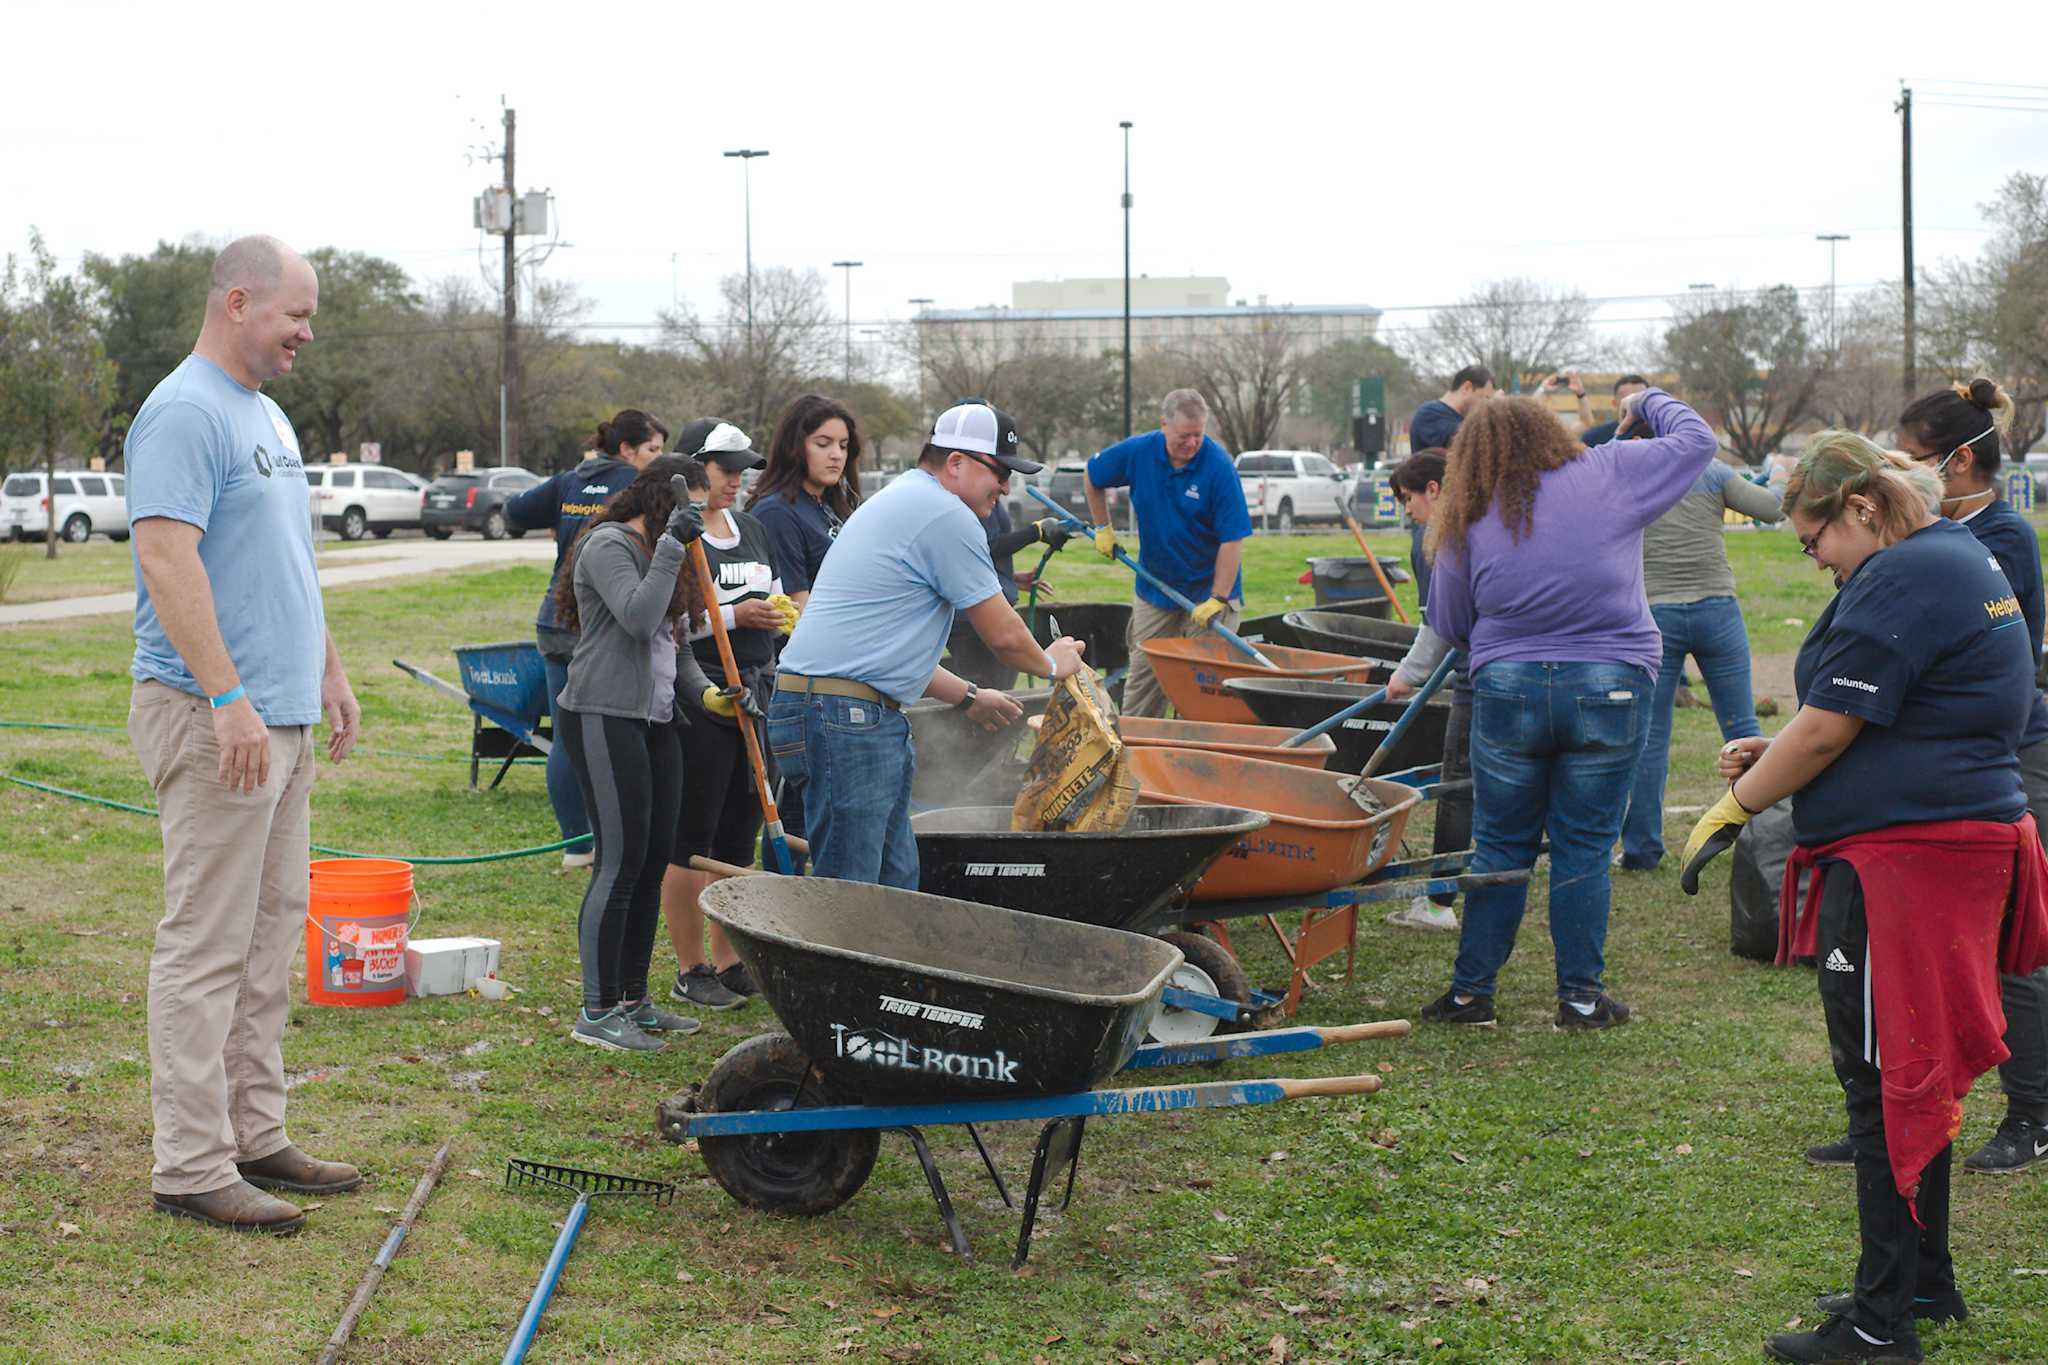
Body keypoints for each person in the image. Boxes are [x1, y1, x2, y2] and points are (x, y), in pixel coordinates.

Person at [1680, 434, 2048, 1364]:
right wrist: (1780, 754)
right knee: (1909, 1072)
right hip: (1940, 843)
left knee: (1889, 1085)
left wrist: (1735, 806)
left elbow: (1834, 723)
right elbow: (1911, 712)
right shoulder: (1958, 554)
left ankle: (1882, 1325)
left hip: (1910, 864)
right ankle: (1921, 1279)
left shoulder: (1906, 572)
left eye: (1815, 542)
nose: (1816, 562)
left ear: (1861, 510)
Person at [126, 234, 365, 1234]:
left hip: (284, 717)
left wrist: (328, 669)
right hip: (214, 715)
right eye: (295, 316)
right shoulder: (183, 411)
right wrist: (226, 697)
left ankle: (255, 1132)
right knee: (207, 944)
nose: (306, 334)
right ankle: (189, 1163)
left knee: (270, 939)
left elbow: (281, 560)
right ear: (238, 302)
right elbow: (166, 559)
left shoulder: (264, 414)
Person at [1791, 377, 2048, 1181]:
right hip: (1939, 760)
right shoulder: (1939, 540)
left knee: (2005, 950)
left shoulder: (1987, 541)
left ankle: (2032, 1109)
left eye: (1920, 459)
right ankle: (1880, 1109)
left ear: (1959, 460)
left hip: (1995, 761)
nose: (1909, 474)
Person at [1417, 386, 1716, 1031]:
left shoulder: (1469, 507)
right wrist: (1648, 398)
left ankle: (1472, 997)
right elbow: (1698, 442)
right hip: (1610, 683)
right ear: (1549, 431)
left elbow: (1448, 619)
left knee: (1499, 843)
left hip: (1507, 686)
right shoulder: (1611, 470)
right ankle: (1580, 999)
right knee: (1584, 845)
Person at [768, 401, 1086, 886]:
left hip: (840, 708)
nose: (1004, 487)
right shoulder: (943, 514)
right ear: (955, 463)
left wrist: (970, 696)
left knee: (894, 880)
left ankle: (883, 963)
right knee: (851, 893)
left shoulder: (911, 500)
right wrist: (1050, 664)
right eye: (999, 472)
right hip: (842, 716)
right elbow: (1003, 634)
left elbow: (881, 652)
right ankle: (839, 963)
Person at [552, 457, 706, 1053]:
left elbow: (677, 645)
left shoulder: (674, 554)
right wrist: (672, 545)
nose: (698, 515)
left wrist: (713, 698)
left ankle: (632, 1000)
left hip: (658, 718)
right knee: (618, 861)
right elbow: (639, 620)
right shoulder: (608, 545)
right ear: (660, 497)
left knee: (651, 859)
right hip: (603, 712)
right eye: (689, 502)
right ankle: (596, 1011)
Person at [662, 421, 797, 1011]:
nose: (736, 480)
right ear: (693, 470)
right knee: (695, 831)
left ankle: (729, 959)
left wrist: (781, 616)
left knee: (741, 829)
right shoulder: (682, 535)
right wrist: (738, 618)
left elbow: (782, 596)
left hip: (757, 691)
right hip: (702, 694)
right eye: (724, 468)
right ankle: (690, 967)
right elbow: (665, 624)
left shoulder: (757, 530)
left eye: (742, 469)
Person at [507, 410, 669, 869]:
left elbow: (514, 511)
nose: (657, 462)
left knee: (566, 733)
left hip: (554, 616)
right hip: (600, 619)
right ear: (627, 450)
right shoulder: (635, 487)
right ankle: (610, 836)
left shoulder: (568, 480)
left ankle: (577, 846)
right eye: (653, 451)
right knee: (610, 730)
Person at [1615, 441, 1786, 870]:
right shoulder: (1709, 471)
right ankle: (1761, 844)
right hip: (1717, 610)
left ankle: (1641, 850)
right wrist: (1781, 474)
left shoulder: (1628, 478)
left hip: (1655, 614)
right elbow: (1770, 509)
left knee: (1651, 739)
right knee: (1742, 727)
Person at [1084, 389, 1253, 718]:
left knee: (1204, 688)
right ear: (1164, 425)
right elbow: (1093, 476)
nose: (1191, 444)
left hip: (1208, 591)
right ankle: (1135, 758)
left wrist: (1218, 597)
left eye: (1198, 435)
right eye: (1184, 436)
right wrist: (1103, 527)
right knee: (1145, 677)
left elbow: (1232, 541)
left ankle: (1198, 758)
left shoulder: (1218, 468)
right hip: (1155, 587)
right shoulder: (1139, 452)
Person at [1381, 449, 1469, 932]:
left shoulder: (1445, 536)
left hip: (1486, 677)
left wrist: (1407, 675)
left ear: (1434, 489)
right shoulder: (1497, 515)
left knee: (1458, 785)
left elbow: (1440, 622)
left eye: (1408, 498)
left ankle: (1438, 902)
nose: (1408, 511)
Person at [745, 394, 863, 609]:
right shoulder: (776, 513)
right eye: (823, 444)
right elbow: (795, 607)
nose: (836, 454)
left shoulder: (834, 507)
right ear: (794, 447)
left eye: (843, 446)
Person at [1408, 365, 1496, 454]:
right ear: (1467, 388)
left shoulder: (1463, 420)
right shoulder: (1429, 414)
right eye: (1485, 398)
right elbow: (1466, 444)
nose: (1485, 406)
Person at [1579, 374, 1650, 448]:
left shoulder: (1661, 435)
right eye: (1627, 400)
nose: (1634, 405)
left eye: (1640, 399)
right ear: (1614, 403)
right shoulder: (1593, 438)